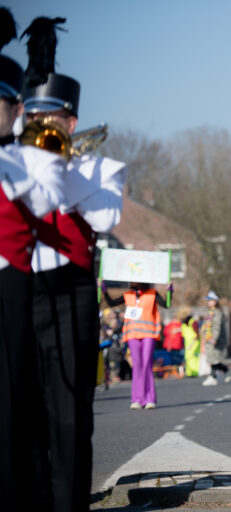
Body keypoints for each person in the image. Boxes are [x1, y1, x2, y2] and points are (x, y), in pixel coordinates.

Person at [21, 17, 126, 511]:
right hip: (21, 286)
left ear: (71, 121)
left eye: (56, 120)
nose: (46, 128)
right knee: (23, 407)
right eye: (37, 119)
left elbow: (105, 215)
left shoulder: (98, 168)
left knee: (69, 411)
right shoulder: (12, 161)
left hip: (72, 292)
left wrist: (57, 165)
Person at [0, 11, 65, 510]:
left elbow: (46, 204)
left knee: (16, 400)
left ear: (15, 107)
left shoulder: (29, 157)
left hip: (13, 285)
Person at [102, 282, 172, 409]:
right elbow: (111, 303)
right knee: (137, 365)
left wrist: (169, 291)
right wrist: (104, 290)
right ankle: (137, 399)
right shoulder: (128, 294)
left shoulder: (152, 294)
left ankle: (150, 399)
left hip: (148, 333)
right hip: (132, 334)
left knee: (146, 364)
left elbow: (166, 305)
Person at [200, 291, 231, 385]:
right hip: (208, 338)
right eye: (208, 300)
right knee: (211, 359)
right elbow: (206, 325)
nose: (208, 302)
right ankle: (225, 370)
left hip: (215, 339)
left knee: (214, 359)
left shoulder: (218, 313)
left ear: (215, 301)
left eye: (210, 300)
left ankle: (212, 377)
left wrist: (214, 339)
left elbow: (217, 327)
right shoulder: (209, 312)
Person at [179, 308, 201, 377]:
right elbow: (183, 335)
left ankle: (194, 372)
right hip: (187, 344)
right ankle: (189, 372)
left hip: (194, 343)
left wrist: (192, 344)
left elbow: (197, 335)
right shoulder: (183, 324)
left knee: (193, 358)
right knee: (188, 358)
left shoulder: (193, 322)